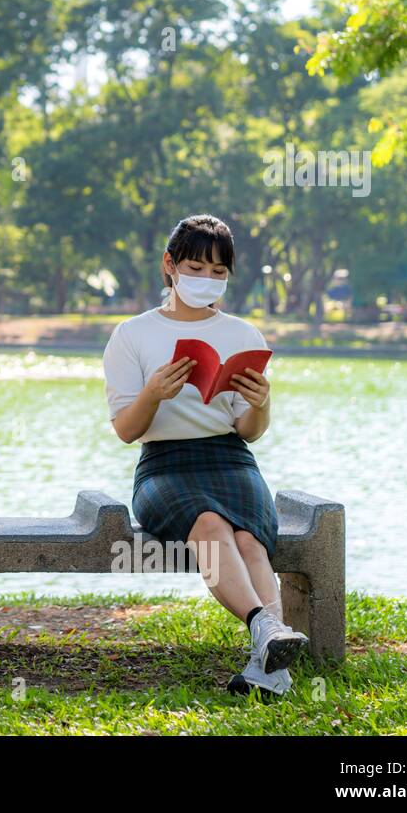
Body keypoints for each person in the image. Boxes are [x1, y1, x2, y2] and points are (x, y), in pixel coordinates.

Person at [101, 213, 308, 696]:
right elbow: (125, 431)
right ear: (169, 265)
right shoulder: (132, 335)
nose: (207, 280)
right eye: (196, 268)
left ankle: (269, 664)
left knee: (251, 541)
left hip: (231, 460)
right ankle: (266, 629)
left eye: (219, 273)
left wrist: (262, 402)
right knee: (211, 525)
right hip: (165, 466)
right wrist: (153, 394)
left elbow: (249, 432)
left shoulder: (241, 334)